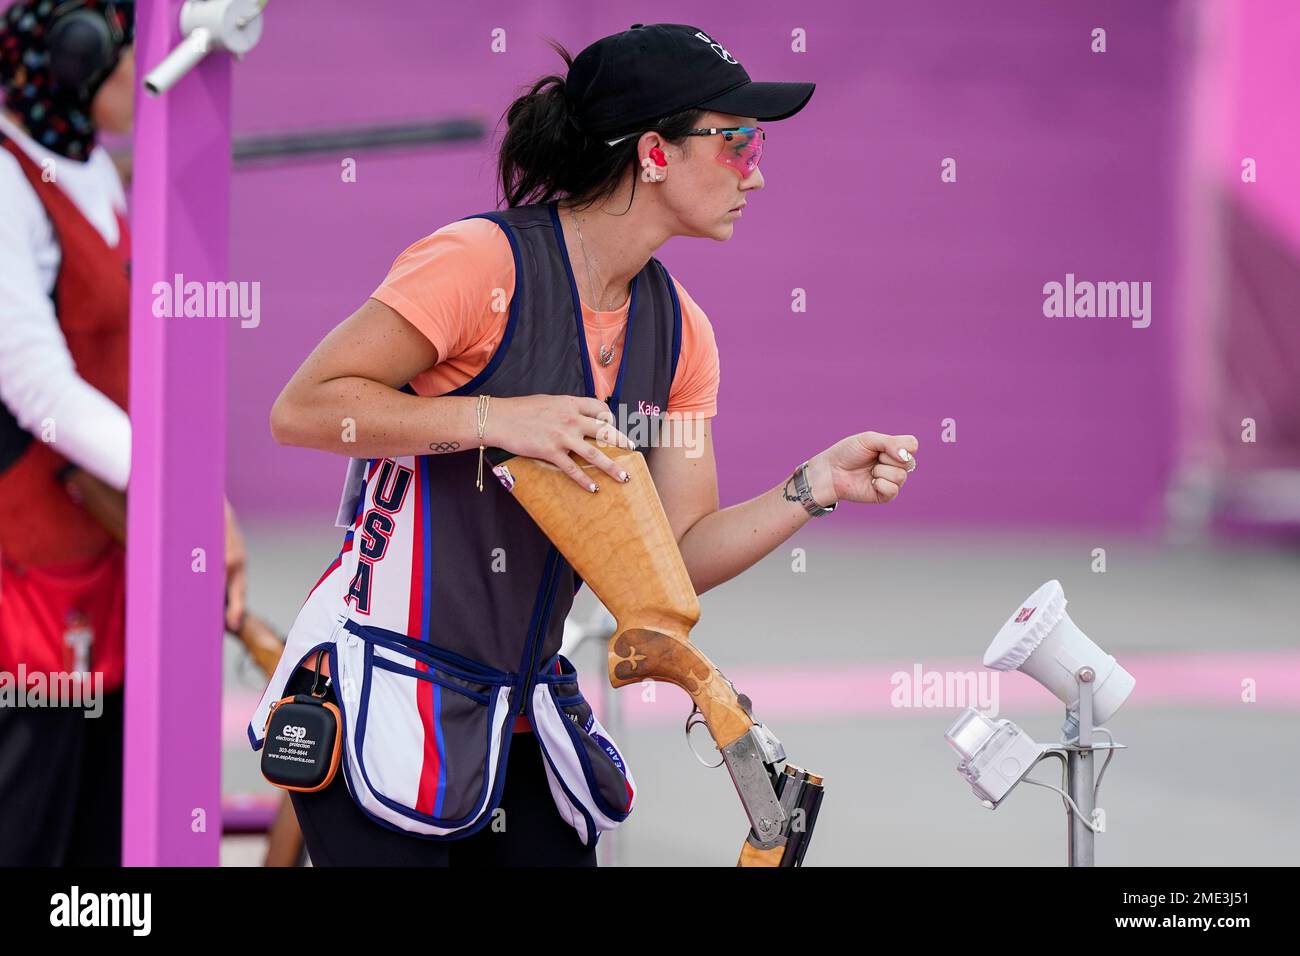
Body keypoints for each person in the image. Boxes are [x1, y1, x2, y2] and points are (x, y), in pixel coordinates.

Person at [253, 22, 917, 867]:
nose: (758, 168)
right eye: (740, 141)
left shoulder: (681, 334)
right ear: (654, 152)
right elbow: (306, 408)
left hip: (523, 706)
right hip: (382, 689)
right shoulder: (476, 264)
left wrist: (813, 486)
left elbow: (671, 560)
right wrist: (496, 419)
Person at [0, 0, 246, 866]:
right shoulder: (4, 181)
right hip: (27, 559)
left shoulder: (88, 165)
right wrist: (176, 485)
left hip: (111, 538)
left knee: (110, 824)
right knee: (30, 815)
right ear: (77, 60)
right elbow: (35, 384)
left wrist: (175, 492)